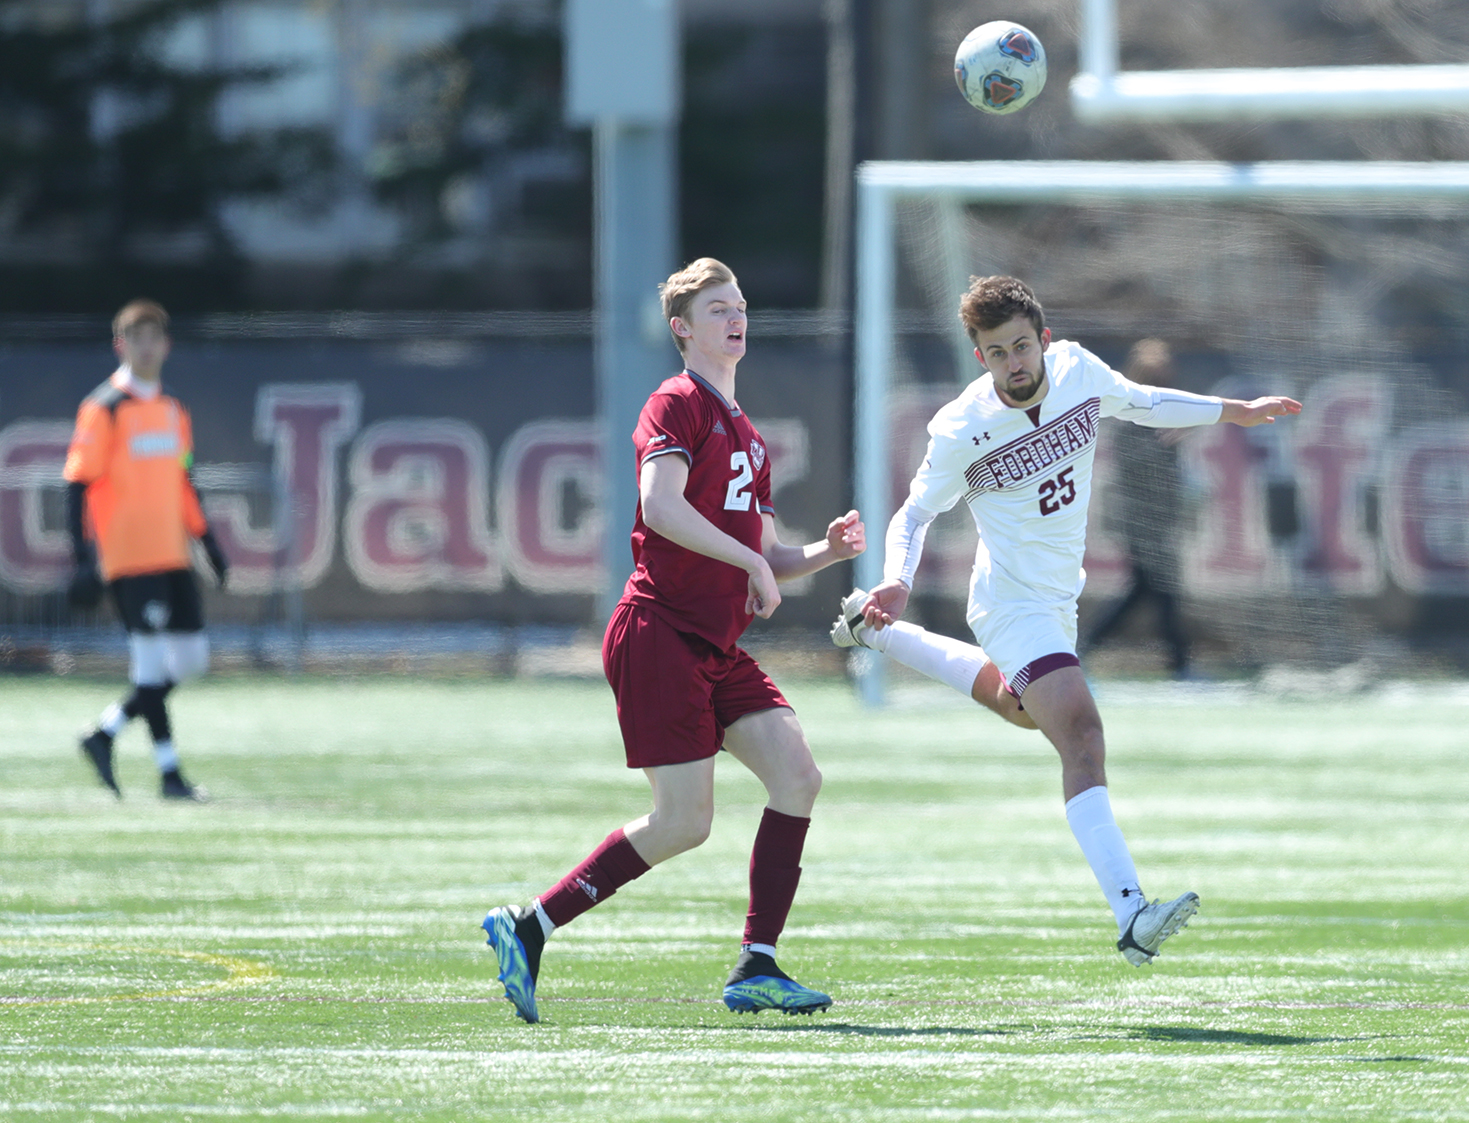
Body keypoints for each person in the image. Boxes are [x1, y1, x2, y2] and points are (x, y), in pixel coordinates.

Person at [830, 275, 1299, 966]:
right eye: (997, 352)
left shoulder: (1078, 371)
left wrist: (1236, 412)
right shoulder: (964, 426)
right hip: (1010, 602)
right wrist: (897, 579)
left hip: (1057, 598)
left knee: (1025, 709)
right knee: (1081, 730)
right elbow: (916, 510)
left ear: (1044, 340)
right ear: (980, 357)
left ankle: (874, 633)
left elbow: (1143, 402)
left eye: (1022, 345)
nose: (1014, 362)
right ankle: (1132, 912)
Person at [482, 258, 865, 1023]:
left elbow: (767, 549)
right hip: (658, 632)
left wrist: (822, 552)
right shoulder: (676, 400)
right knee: (684, 822)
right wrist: (755, 560)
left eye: (741, 305)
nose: (735, 318)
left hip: (714, 643)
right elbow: (660, 508)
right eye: (718, 308)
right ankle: (531, 924)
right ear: (682, 329)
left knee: (798, 776)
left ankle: (757, 962)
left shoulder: (749, 436)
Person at [65, 299, 228, 802]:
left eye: (155, 336)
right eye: (137, 337)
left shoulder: (173, 409)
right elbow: (77, 483)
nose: (147, 346)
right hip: (129, 557)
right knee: (152, 666)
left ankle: (105, 732)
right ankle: (169, 775)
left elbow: (184, 479)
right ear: (121, 345)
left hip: (173, 554)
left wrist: (208, 542)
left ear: (167, 344)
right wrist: (83, 559)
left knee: (191, 660)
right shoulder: (104, 408)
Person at [1082, 339, 1193, 677]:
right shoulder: (1129, 412)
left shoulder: (1163, 412)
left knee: (1150, 588)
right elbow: (1132, 461)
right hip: (1140, 518)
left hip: (1161, 517)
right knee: (1158, 588)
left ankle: (1085, 646)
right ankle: (1180, 665)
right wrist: (1167, 444)